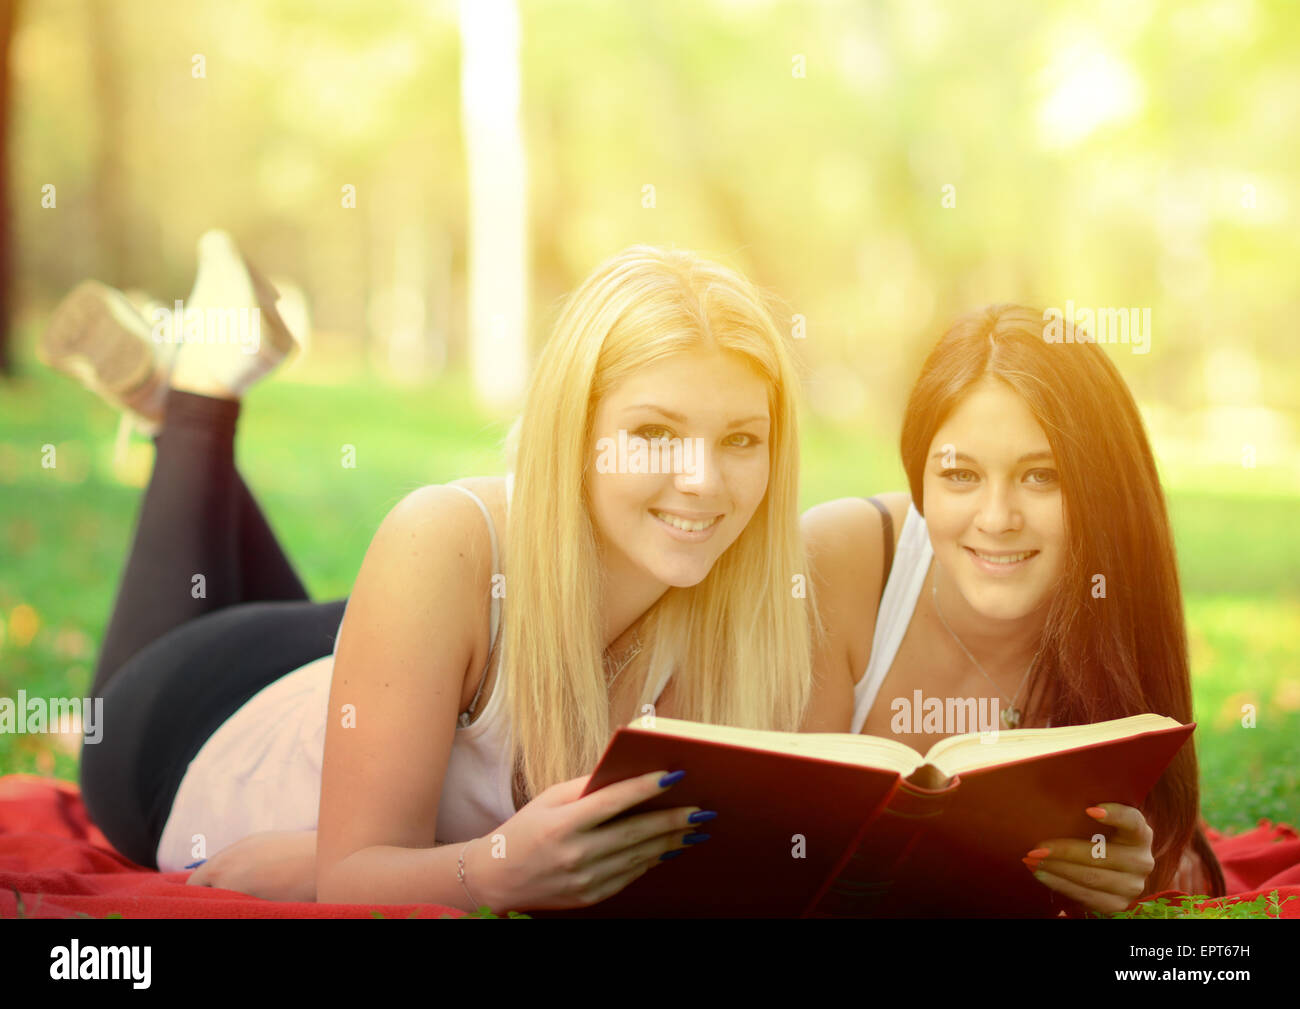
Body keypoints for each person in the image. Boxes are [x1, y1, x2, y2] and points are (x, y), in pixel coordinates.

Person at [60, 237, 812, 912]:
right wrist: (476, 870)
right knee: (437, 578)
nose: (705, 482)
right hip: (185, 725)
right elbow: (359, 879)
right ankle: (193, 396)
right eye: (654, 432)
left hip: (366, 663)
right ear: (572, 431)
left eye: (742, 438)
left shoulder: (746, 590)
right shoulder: (446, 537)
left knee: (434, 614)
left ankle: (163, 398)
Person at [799, 303, 1226, 915]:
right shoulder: (840, 557)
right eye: (960, 475)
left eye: (1042, 476)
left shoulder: (1113, 602)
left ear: (1101, 485)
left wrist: (1130, 877)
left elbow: (1168, 852)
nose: (997, 519)